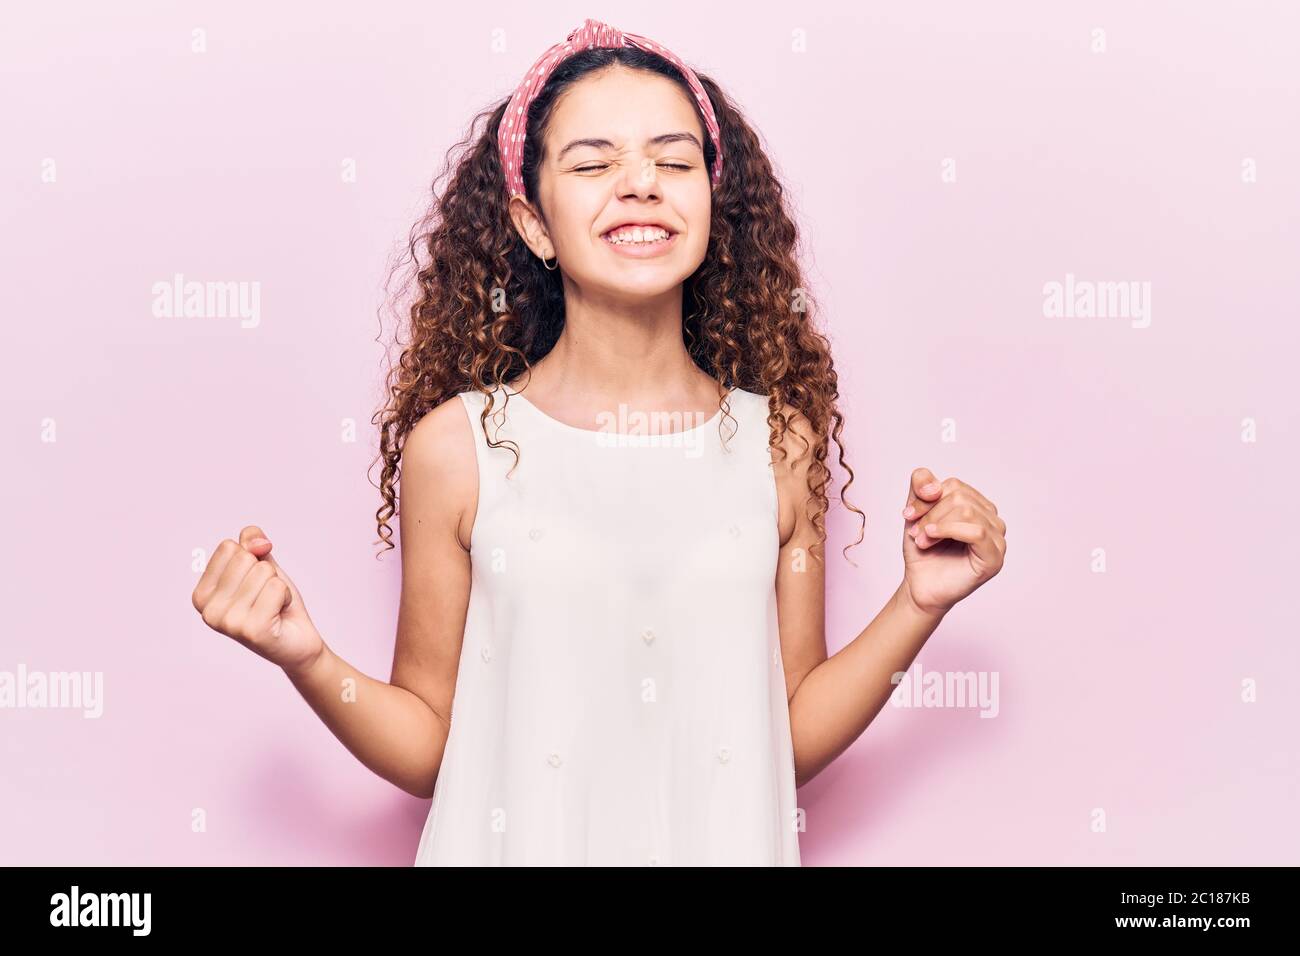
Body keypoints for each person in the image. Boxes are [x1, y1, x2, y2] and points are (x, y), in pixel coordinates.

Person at [190, 18, 1007, 866]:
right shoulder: (460, 448)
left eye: (674, 160)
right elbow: (431, 744)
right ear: (535, 225)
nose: (641, 184)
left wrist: (920, 603)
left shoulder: (779, 447)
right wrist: (306, 655)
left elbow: (784, 734)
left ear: (710, 205)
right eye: (592, 163)